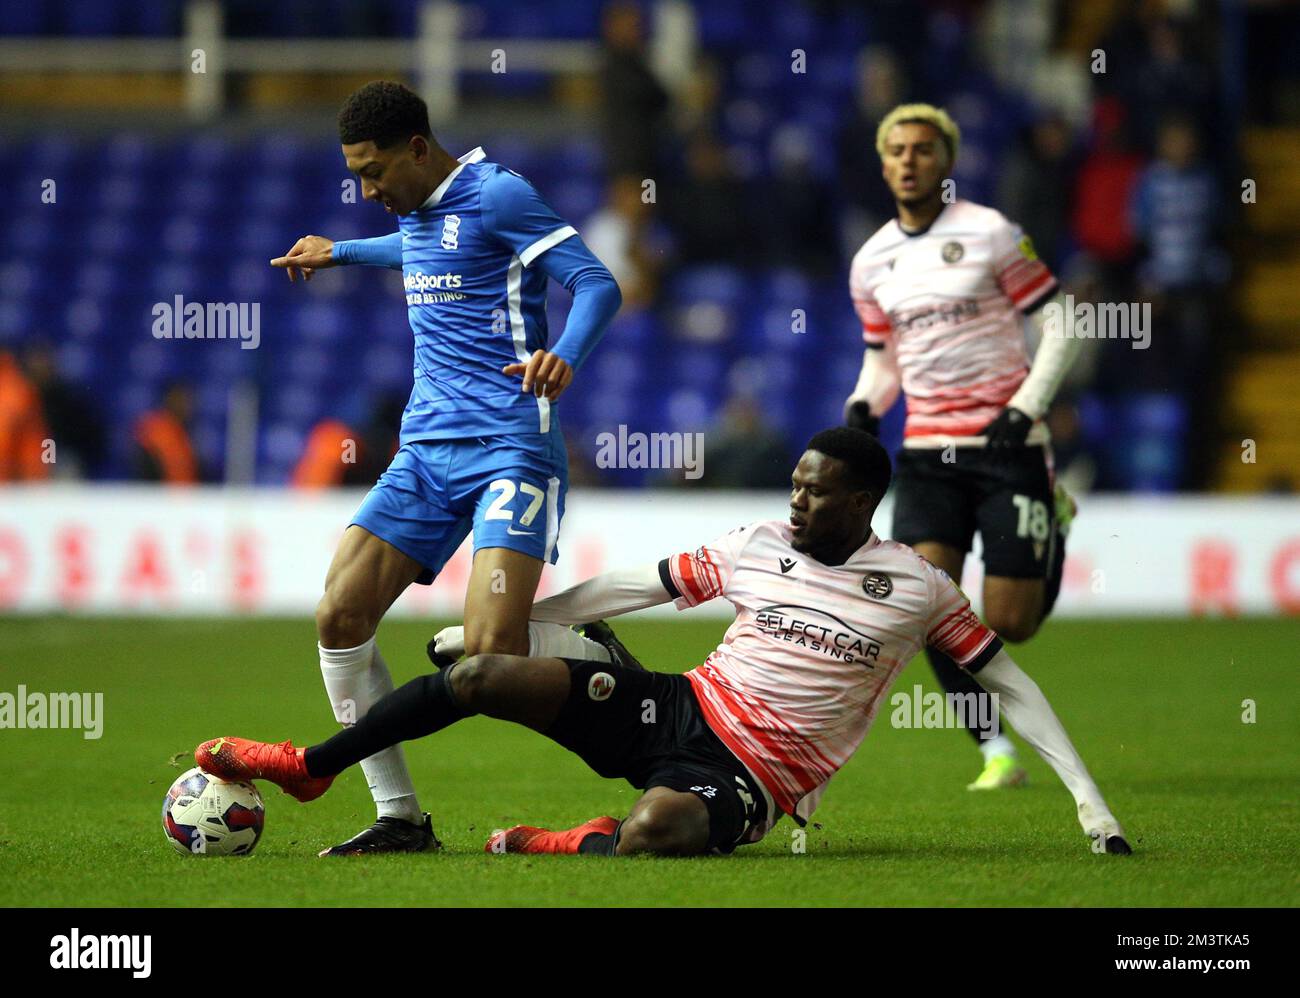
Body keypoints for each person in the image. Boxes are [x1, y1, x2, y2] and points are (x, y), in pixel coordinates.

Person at [194, 428, 1131, 859]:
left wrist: (1091, 804)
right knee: (482, 671)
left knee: (658, 832)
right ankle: (313, 764)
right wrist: (538, 619)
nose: (796, 501)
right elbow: (638, 585)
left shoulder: (918, 589)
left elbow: (1008, 682)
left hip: (757, 778)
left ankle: (576, 841)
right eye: (795, 486)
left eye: (816, 492)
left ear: (862, 503)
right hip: (678, 706)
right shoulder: (757, 549)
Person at [267, 81, 621, 854]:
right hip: (426, 451)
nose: (366, 191)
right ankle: (400, 816)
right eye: (354, 175)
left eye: (374, 172)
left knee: (489, 651)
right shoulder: (418, 210)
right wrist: (344, 251)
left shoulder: (500, 197)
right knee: (340, 614)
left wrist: (564, 354)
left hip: (510, 449)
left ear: (419, 150)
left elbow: (597, 282)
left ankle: (597, 656)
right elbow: (422, 246)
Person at [842, 103, 1082, 790]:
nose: (909, 161)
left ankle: (1053, 523)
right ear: (883, 163)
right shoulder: (871, 262)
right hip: (927, 453)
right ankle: (995, 751)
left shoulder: (991, 233)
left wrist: (1026, 408)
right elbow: (883, 359)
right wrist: (866, 404)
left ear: (945, 162)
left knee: (1012, 622)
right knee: (925, 609)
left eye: (922, 150)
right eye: (896, 150)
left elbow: (1062, 322)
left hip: (1007, 447)